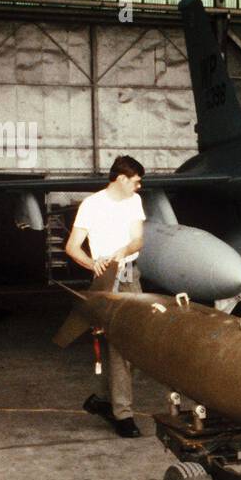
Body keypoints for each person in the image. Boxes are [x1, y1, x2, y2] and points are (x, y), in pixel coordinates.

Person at [64, 155, 146, 439]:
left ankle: (106, 401)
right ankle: (123, 414)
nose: (139, 187)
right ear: (122, 179)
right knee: (121, 345)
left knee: (134, 343)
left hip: (129, 274)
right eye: (136, 181)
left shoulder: (133, 201)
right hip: (106, 279)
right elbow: (72, 247)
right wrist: (92, 263)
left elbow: (137, 239)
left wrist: (123, 251)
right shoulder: (92, 205)